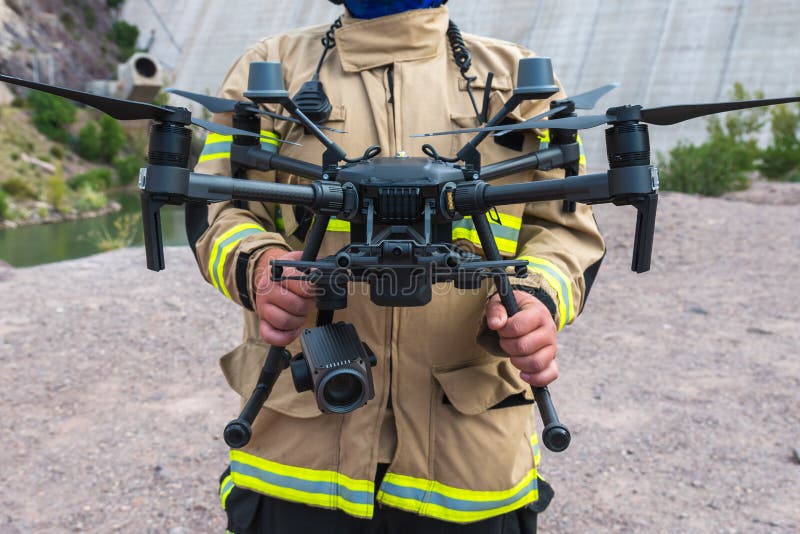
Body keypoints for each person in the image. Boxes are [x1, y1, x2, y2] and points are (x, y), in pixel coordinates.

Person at [190, 1, 605, 532]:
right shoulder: (270, 72)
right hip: (296, 457)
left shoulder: (517, 83)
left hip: (469, 462)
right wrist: (260, 266)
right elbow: (214, 207)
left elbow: (568, 229)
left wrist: (536, 300)